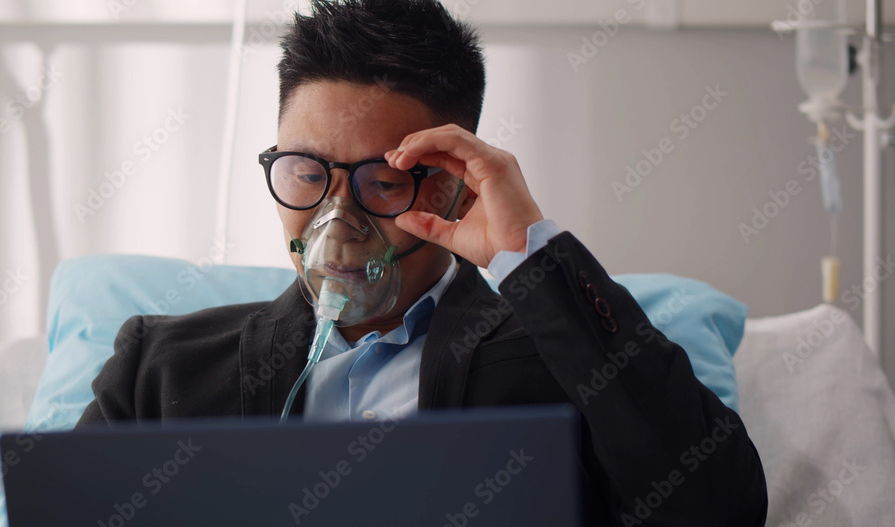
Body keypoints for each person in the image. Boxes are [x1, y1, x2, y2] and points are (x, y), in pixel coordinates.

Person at [77, 1, 768, 524]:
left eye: (381, 179)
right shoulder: (159, 367)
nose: (335, 220)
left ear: (450, 183)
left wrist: (529, 253)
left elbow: (719, 506)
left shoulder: (569, 362)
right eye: (305, 171)